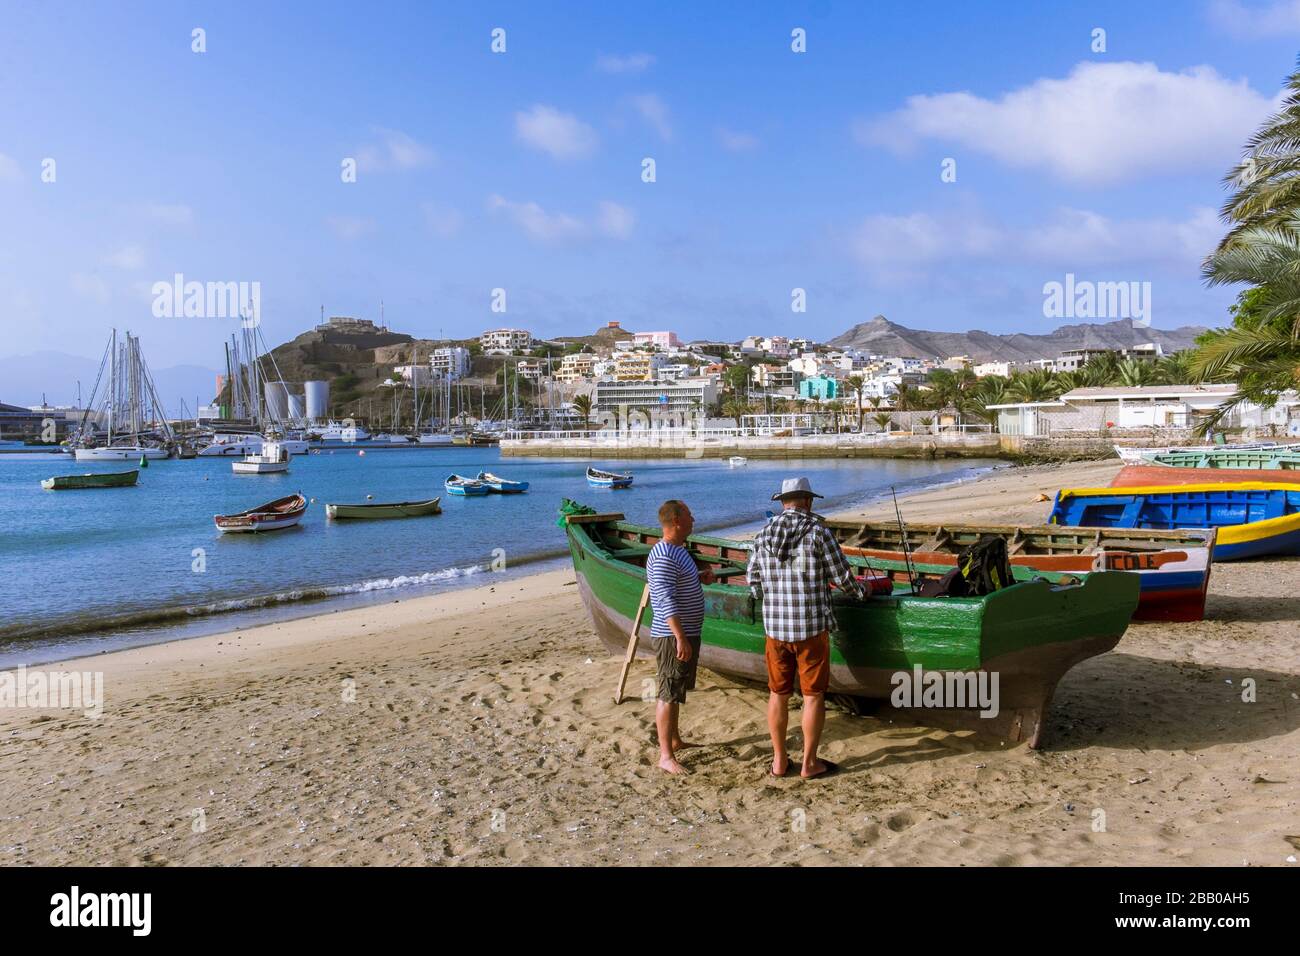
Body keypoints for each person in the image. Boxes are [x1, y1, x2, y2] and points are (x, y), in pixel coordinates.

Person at [747, 477, 864, 779]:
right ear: (808, 501)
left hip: (775, 631)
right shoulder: (818, 532)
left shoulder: (762, 536)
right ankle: (809, 763)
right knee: (813, 696)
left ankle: (779, 761)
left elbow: (753, 584)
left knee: (778, 694)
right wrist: (862, 593)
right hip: (811, 629)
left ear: (783, 502)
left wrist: (773, 597)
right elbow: (842, 576)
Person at [645, 499, 715, 775]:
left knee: (677, 689)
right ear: (676, 521)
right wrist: (680, 637)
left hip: (685, 632)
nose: (693, 519)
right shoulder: (663, 554)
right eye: (689, 515)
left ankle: (674, 739)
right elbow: (664, 599)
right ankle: (665, 755)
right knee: (668, 690)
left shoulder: (678, 550)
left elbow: (678, 582)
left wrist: (699, 577)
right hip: (672, 635)